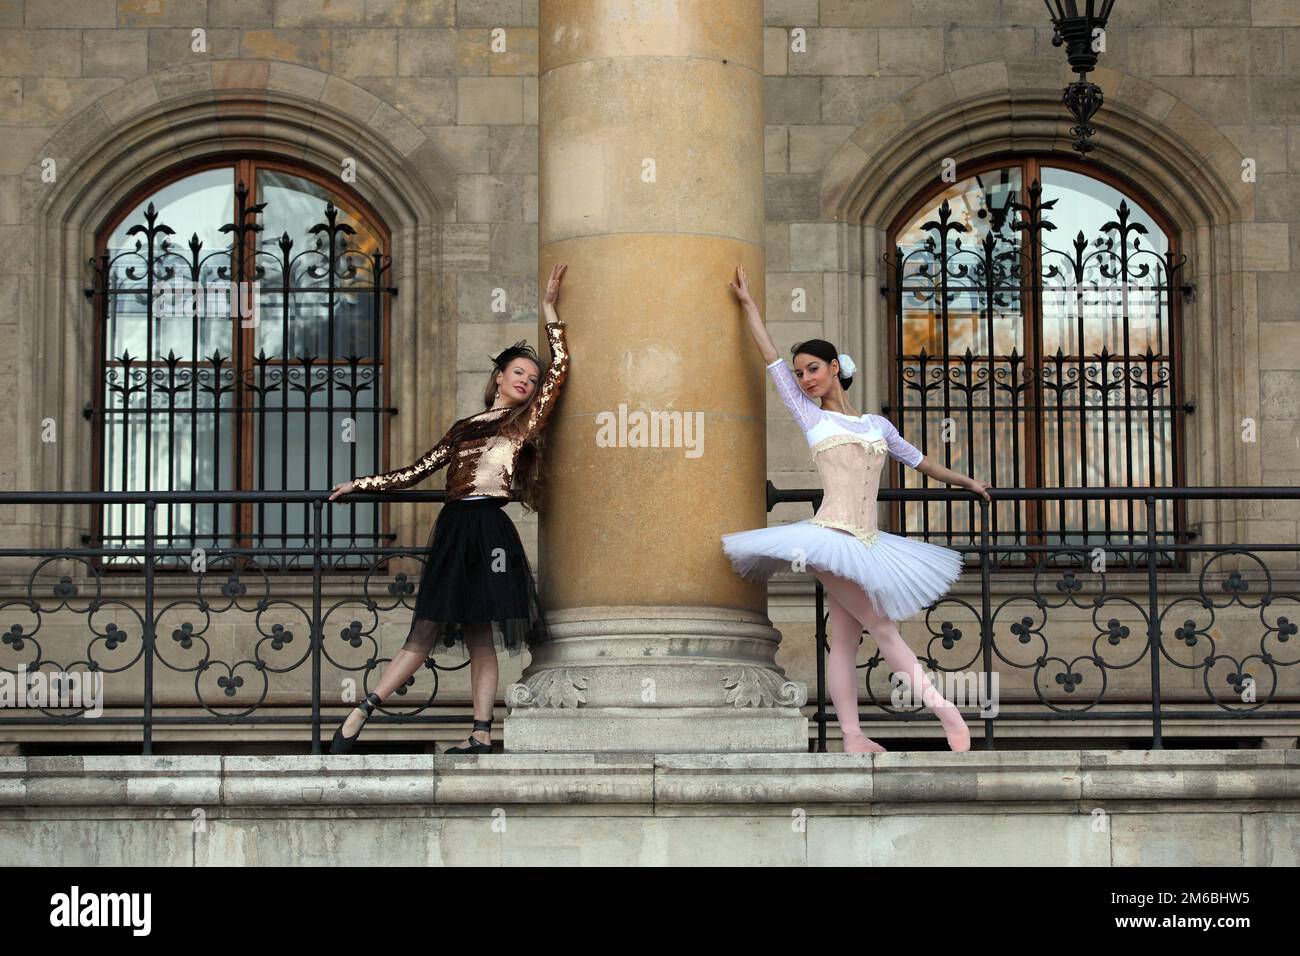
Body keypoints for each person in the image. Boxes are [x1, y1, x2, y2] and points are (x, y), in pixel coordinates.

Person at [719, 265, 989, 753]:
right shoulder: (809, 416)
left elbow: (920, 461)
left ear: (834, 369)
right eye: (801, 374)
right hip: (830, 537)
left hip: (869, 542)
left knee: (845, 641)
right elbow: (770, 358)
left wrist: (968, 480)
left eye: (813, 370)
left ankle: (852, 736)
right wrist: (748, 305)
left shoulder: (877, 425)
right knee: (882, 626)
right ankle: (948, 713)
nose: (804, 379)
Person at [326, 264, 570, 755]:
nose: (527, 380)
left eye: (532, 377)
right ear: (499, 377)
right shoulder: (462, 428)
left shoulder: (525, 423)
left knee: (482, 637)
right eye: (518, 372)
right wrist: (362, 483)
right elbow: (415, 471)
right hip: (455, 527)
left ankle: (482, 732)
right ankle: (361, 712)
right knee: (426, 629)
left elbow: (561, 370)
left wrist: (550, 313)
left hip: (490, 530)